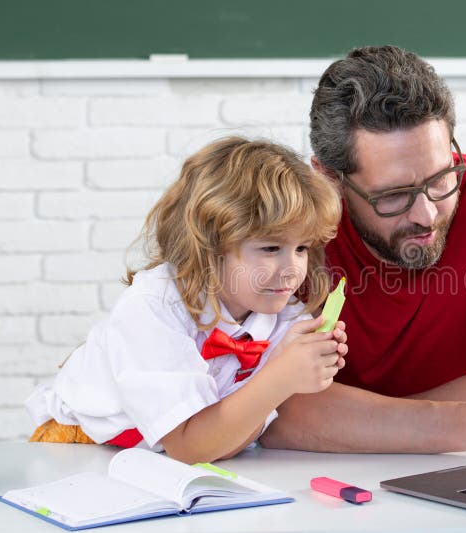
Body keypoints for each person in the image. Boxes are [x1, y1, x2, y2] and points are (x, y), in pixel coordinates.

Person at [260, 46, 466, 453]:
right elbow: (271, 410)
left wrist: (344, 421)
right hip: (322, 482)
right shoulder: (289, 231)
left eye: (442, 177)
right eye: (393, 195)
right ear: (329, 179)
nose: (427, 215)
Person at [26, 137, 347, 464]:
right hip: (79, 445)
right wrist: (278, 378)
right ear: (210, 245)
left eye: (302, 248)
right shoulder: (155, 306)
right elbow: (189, 447)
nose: (292, 270)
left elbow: (221, 441)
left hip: (163, 455)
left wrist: (282, 364)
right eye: (270, 248)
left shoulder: (281, 315)